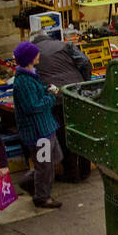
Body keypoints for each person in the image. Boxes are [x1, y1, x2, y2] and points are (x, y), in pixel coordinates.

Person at [29, 31, 92, 181]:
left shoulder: (32, 51)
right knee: (80, 131)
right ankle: (85, 170)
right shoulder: (64, 45)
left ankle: (72, 173)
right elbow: (85, 61)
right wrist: (83, 81)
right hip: (75, 93)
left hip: (55, 97)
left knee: (63, 134)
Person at [12, 40, 63, 209]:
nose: (39, 55)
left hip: (47, 127)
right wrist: (51, 97)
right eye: (36, 53)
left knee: (54, 158)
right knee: (44, 166)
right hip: (38, 132)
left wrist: (45, 90)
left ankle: (30, 182)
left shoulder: (31, 76)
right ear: (30, 58)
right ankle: (42, 196)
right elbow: (32, 107)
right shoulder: (24, 82)